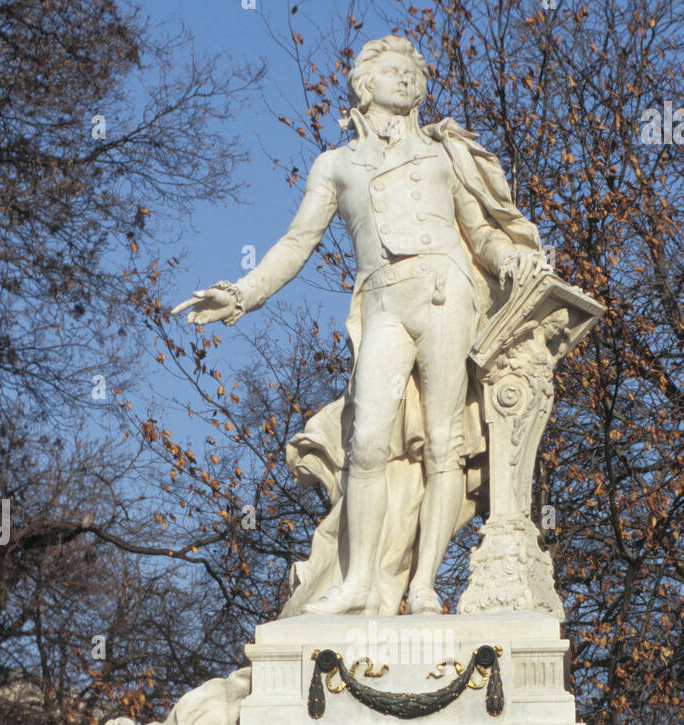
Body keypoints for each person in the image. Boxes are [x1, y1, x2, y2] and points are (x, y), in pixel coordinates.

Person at [173, 35, 547, 617]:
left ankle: (423, 584)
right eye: (394, 72)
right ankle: (356, 584)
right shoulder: (337, 165)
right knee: (366, 443)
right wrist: (243, 292)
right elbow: (298, 242)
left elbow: (481, 231)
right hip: (382, 302)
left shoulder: (446, 152)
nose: (407, 81)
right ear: (364, 85)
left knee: (444, 442)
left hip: (447, 293)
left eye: (413, 74)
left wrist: (508, 259)